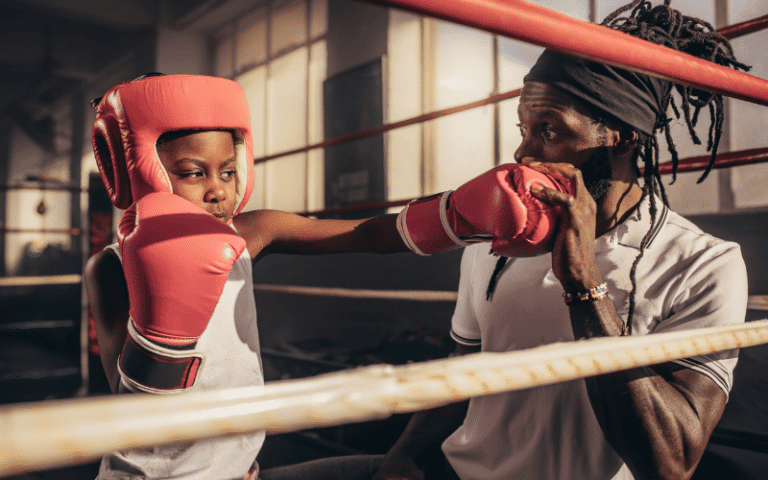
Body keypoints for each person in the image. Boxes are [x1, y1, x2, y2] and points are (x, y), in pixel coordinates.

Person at [84, 73, 566, 480]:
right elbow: (125, 394)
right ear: (142, 173)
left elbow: (368, 234)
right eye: (193, 173)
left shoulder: (252, 232)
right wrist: (167, 320)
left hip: (243, 471)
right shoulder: (109, 266)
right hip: (149, 477)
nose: (217, 190)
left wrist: (462, 214)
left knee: (391, 470)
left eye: (228, 172)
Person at [366, 2, 751, 480]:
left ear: (624, 137)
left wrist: (584, 284)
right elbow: (466, 364)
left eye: (549, 130)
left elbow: (669, 463)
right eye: (524, 129)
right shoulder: (495, 243)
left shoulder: (703, 264)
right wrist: (405, 452)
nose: (523, 152)